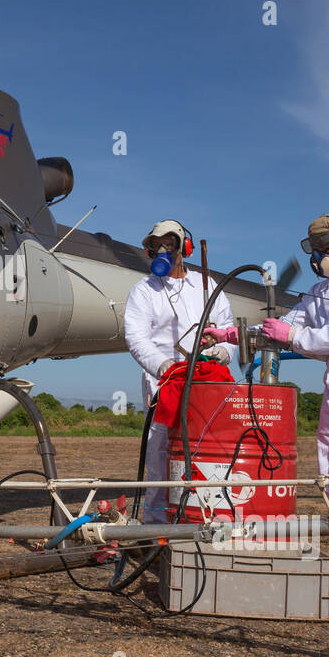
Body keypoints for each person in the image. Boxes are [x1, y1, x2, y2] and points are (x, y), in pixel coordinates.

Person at [206, 213, 329, 611]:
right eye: (313, 250)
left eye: (325, 249)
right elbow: (283, 325)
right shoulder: (320, 290)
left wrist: (294, 335)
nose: (318, 257)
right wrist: (232, 334)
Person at [125, 219, 236, 525]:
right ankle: (155, 531)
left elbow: (227, 329)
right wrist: (164, 367)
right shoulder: (143, 291)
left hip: (205, 388)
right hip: (165, 387)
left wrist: (223, 351)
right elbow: (136, 338)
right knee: (161, 461)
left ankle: (202, 522)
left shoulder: (207, 286)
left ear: (184, 247)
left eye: (169, 243)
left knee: (208, 455)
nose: (163, 249)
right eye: (156, 244)